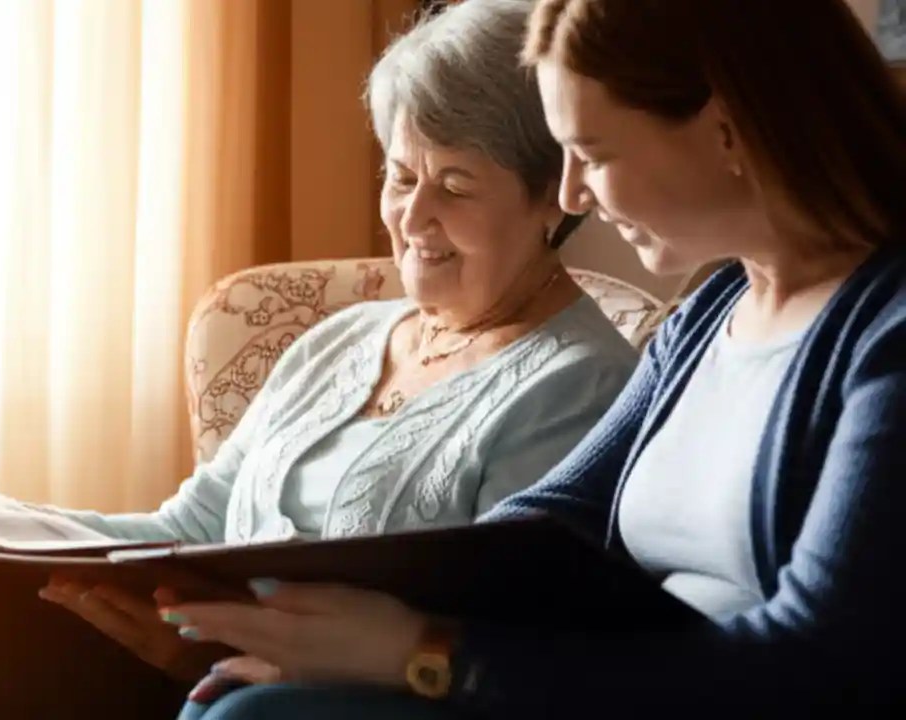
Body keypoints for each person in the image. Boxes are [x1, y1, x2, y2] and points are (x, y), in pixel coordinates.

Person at [0, 0, 640, 717]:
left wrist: (202, 649)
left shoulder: (578, 382)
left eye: (454, 185)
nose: (411, 217)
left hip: (279, 698)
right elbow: (195, 519)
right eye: (401, 176)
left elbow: (483, 649)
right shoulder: (343, 340)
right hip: (179, 657)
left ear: (551, 200)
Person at [170, 0, 906, 717]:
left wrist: (422, 652)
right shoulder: (708, 315)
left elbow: (820, 668)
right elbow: (536, 530)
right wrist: (303, 634)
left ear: (725, 128)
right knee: (252, 699)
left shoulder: (886, 333)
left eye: (592, 154)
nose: (572, 193)